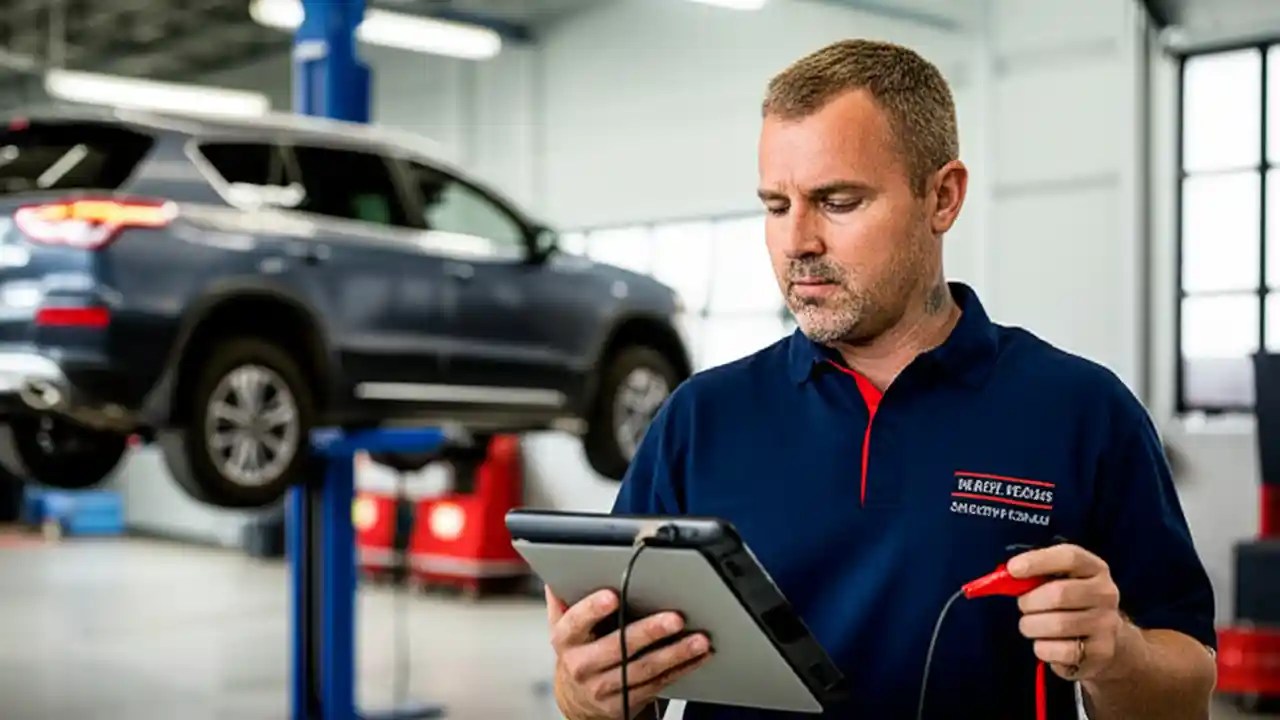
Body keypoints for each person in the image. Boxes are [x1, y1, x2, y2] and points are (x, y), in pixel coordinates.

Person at [545, 38, 1218, 720]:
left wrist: (1118, 656)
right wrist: (585, 694)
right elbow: (613, 684)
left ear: (943, 197)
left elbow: (1186, 689)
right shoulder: (699, 418)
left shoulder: (1083, 411)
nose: (797, 242)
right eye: (776, 206)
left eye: (838, 202)